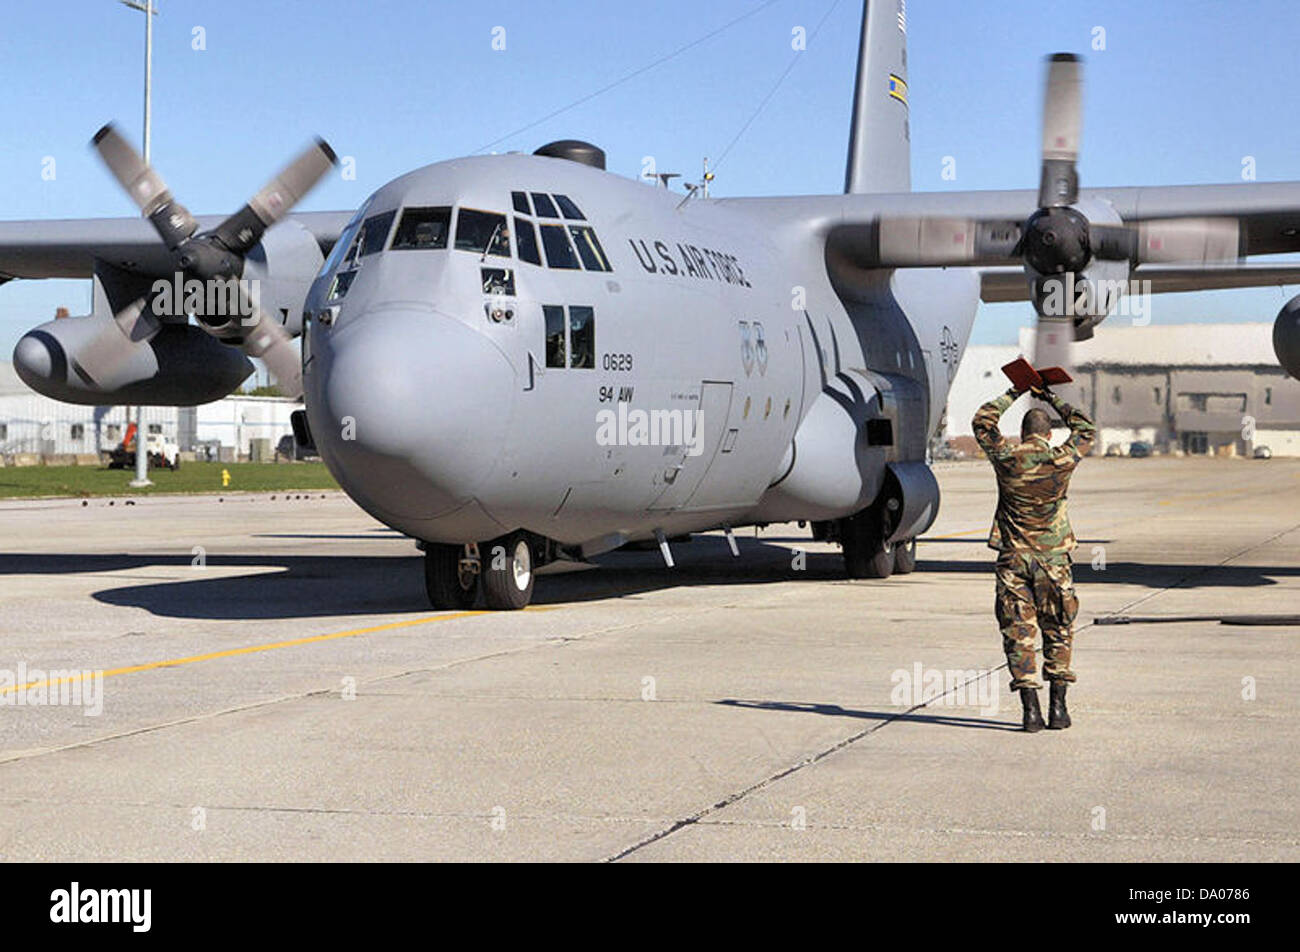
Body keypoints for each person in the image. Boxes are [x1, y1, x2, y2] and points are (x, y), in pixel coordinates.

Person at [972, 381, 1096, 732]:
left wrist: (1014, 392)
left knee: (1018, 632)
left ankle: (1030, 713)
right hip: (1054, 561)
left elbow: (982, 421)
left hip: (1013, 561)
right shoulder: (1061, 459)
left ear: (1023, 432)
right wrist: (1050, 396)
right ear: (1049, 433)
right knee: (1058, 629)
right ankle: (1059, 708)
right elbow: (1086, 427)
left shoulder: (1008, 459)